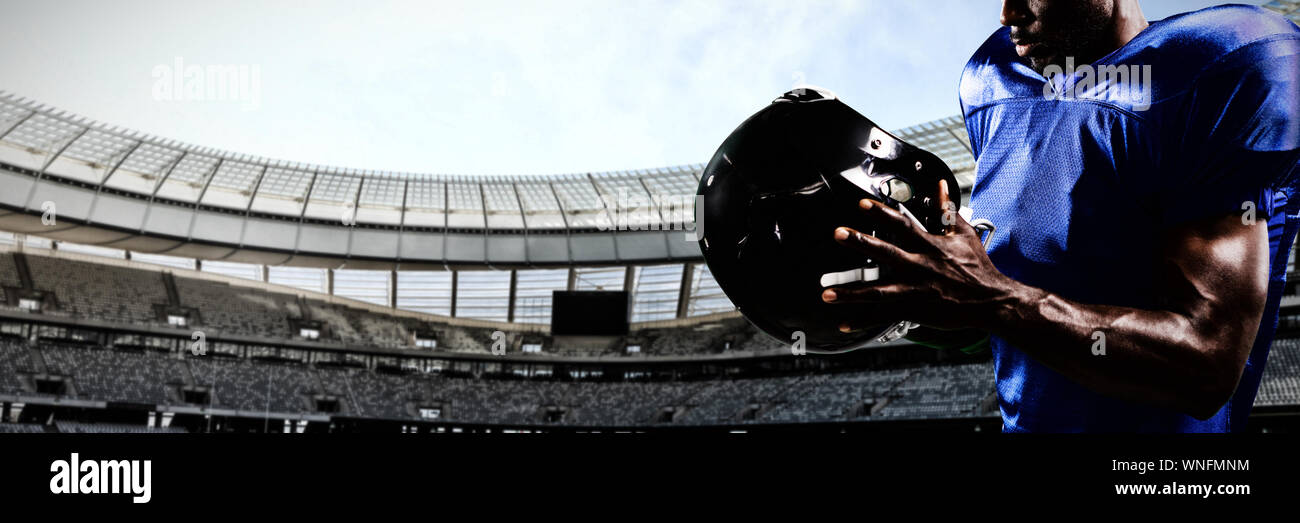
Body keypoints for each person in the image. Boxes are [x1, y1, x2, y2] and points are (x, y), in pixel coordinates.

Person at [821, 1, 1300, 432]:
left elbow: (1205, 364)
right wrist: (913, 298)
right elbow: (1021, 306)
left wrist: (989, 297)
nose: (1008, 13)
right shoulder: (995, 78)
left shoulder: (1213, 64)